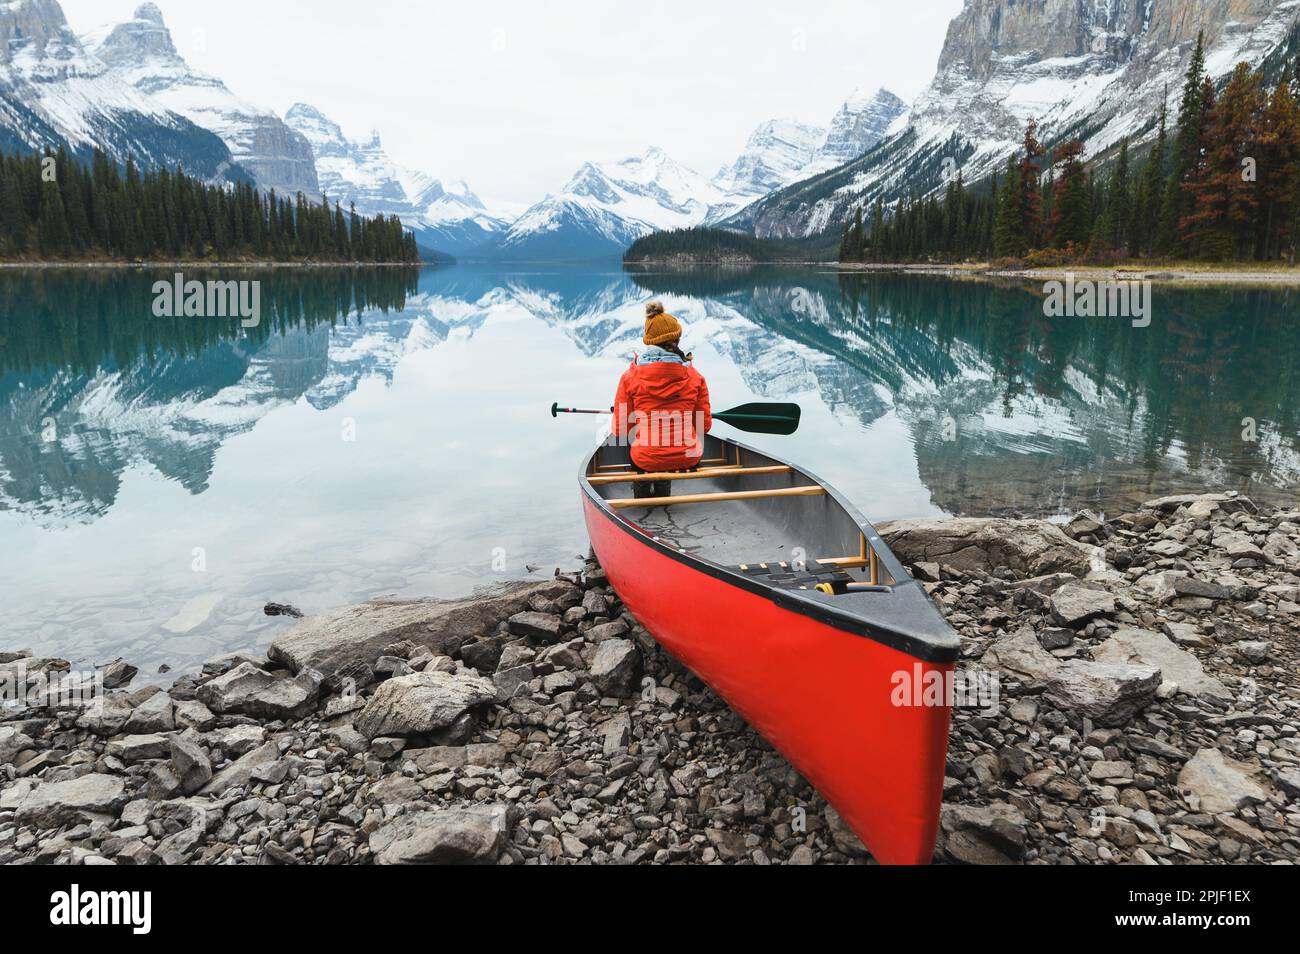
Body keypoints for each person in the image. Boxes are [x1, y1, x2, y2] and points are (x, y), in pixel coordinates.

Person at [612, 302, 712, 499]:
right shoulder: (696, 377)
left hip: (645, 458)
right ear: (676, 339)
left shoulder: (629, 377)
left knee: (640, 449)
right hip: (688, 456)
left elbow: (621, 430)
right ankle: (664, 496)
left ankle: (642, 498)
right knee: (669, 448)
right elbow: (704, 426)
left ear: (649, 342)